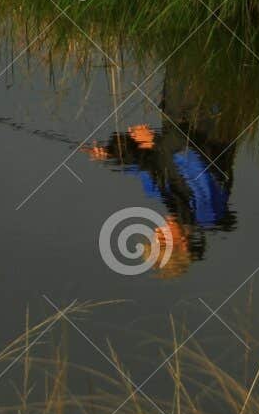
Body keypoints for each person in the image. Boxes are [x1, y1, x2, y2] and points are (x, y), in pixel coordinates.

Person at [85, 94, 237, 279]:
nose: (157, 231)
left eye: (154, 237)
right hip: (208, 113)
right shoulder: (208, 213)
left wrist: (111, 155)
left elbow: (145, 168)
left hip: (182, 115)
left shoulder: (174, 204)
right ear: (183, 244)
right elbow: (193, 160)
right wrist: (156, 142)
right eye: (163, 240)